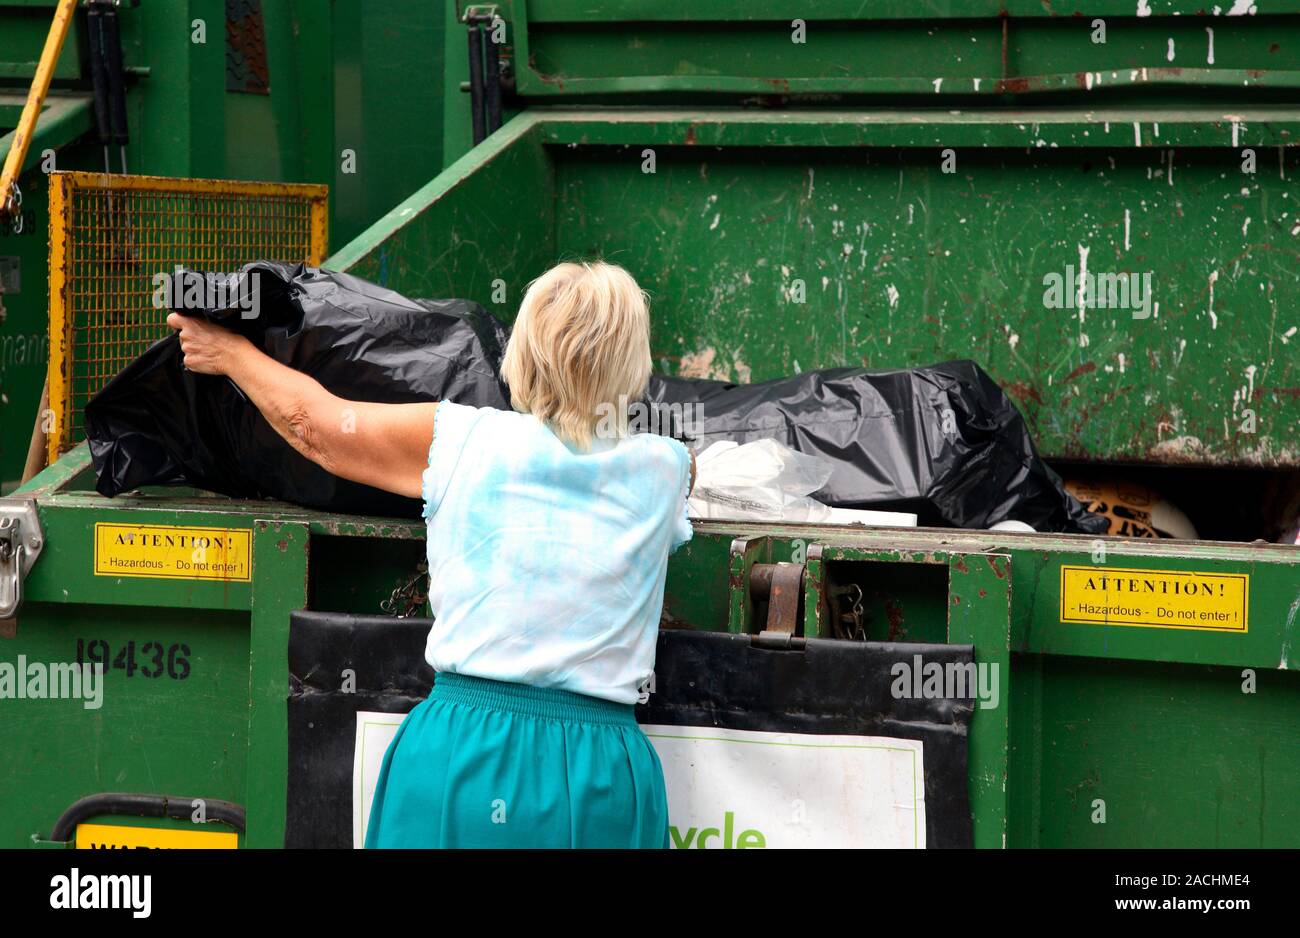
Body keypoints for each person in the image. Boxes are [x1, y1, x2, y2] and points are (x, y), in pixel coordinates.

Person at [167, 261, 695, 848]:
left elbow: (313, 424)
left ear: (523, 349)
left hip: (460, 753)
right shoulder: (668, 468)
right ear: (632, 361)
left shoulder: (461, 438)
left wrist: (228, 353)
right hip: (602, 774)